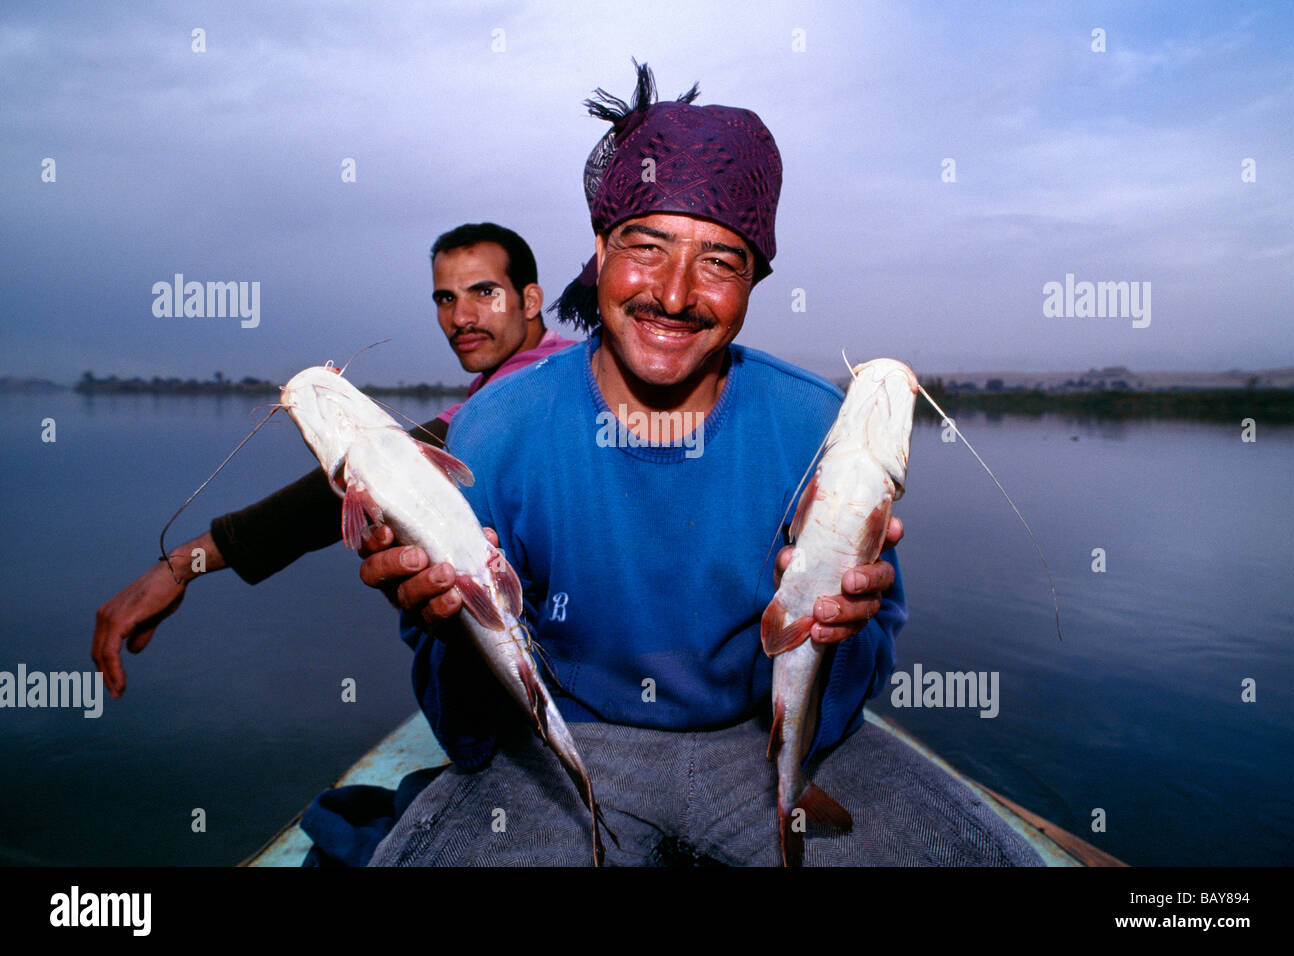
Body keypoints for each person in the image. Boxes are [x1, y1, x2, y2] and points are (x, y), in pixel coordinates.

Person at [358, 65, 1042, 866]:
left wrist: (843, 633)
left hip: (761, 750)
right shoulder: (493, 432)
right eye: (646, 247)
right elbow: (466, 722)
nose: (675, 294)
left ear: (754, 282)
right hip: (565, 749)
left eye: (721, 261)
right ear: (600, 254)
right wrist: (449, 625)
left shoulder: (824, 426)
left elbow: (859, 671)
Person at [91, 223, 577, 699]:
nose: (461, 317)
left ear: (530, 301)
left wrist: (184, 563)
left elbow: (372, 474)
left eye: (483, 292)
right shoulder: (505, 382)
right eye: (445, 298)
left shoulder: (537, 382)